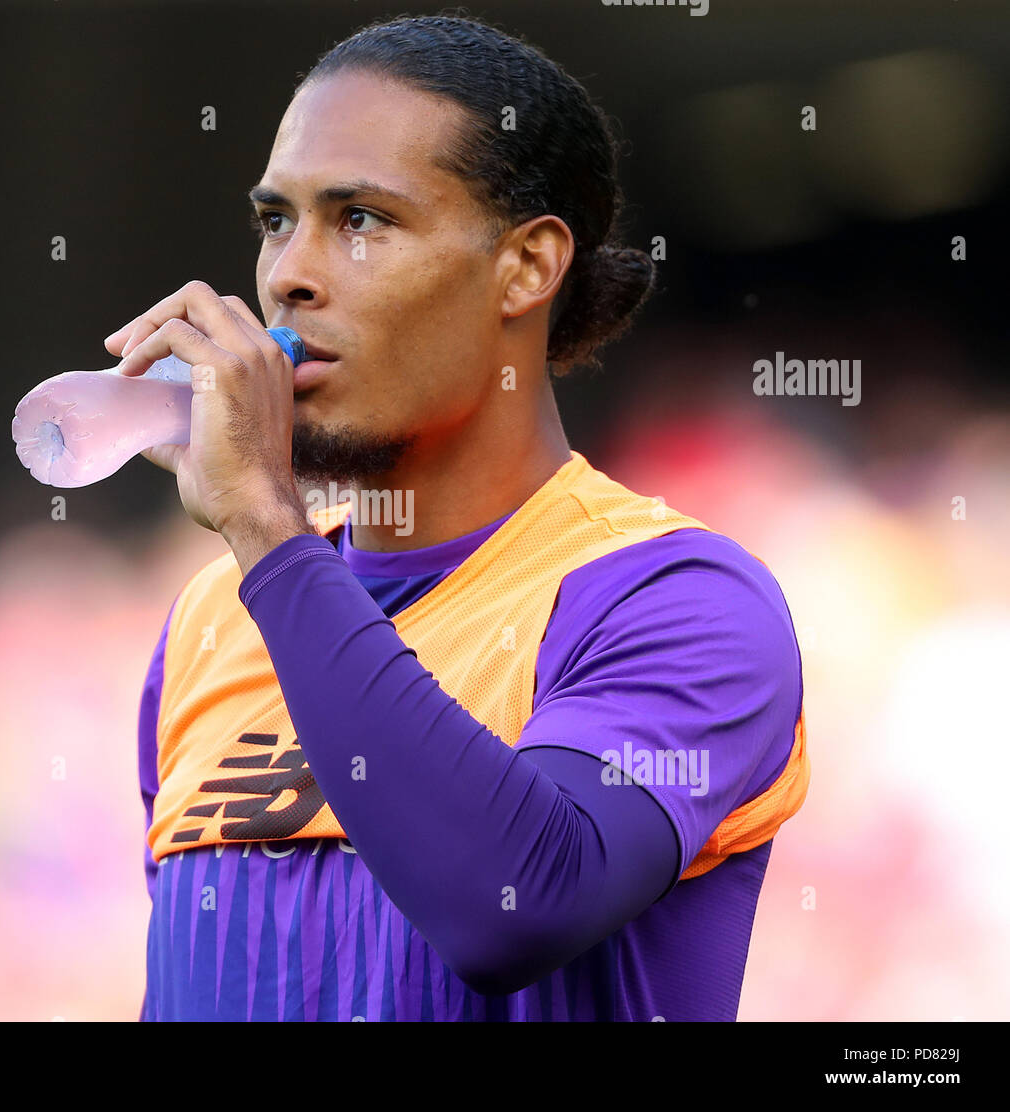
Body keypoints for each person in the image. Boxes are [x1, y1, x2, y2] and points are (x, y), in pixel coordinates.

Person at [104, 13, 808, 1022]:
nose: (287, 276)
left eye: (360, 220)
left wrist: (265, 525)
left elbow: (511, 907)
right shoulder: (213, 620)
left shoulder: (675, 599)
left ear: (525, 267)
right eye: (275, 220)